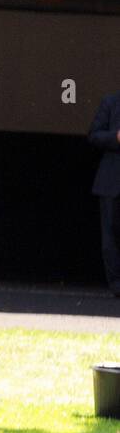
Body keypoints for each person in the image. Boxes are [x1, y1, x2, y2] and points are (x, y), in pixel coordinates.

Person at [87, 89, 120, 296]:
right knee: (111, 236)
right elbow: (94, 135)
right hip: (112, 182)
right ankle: (117, 284)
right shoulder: (111, 102)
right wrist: (116, 137)